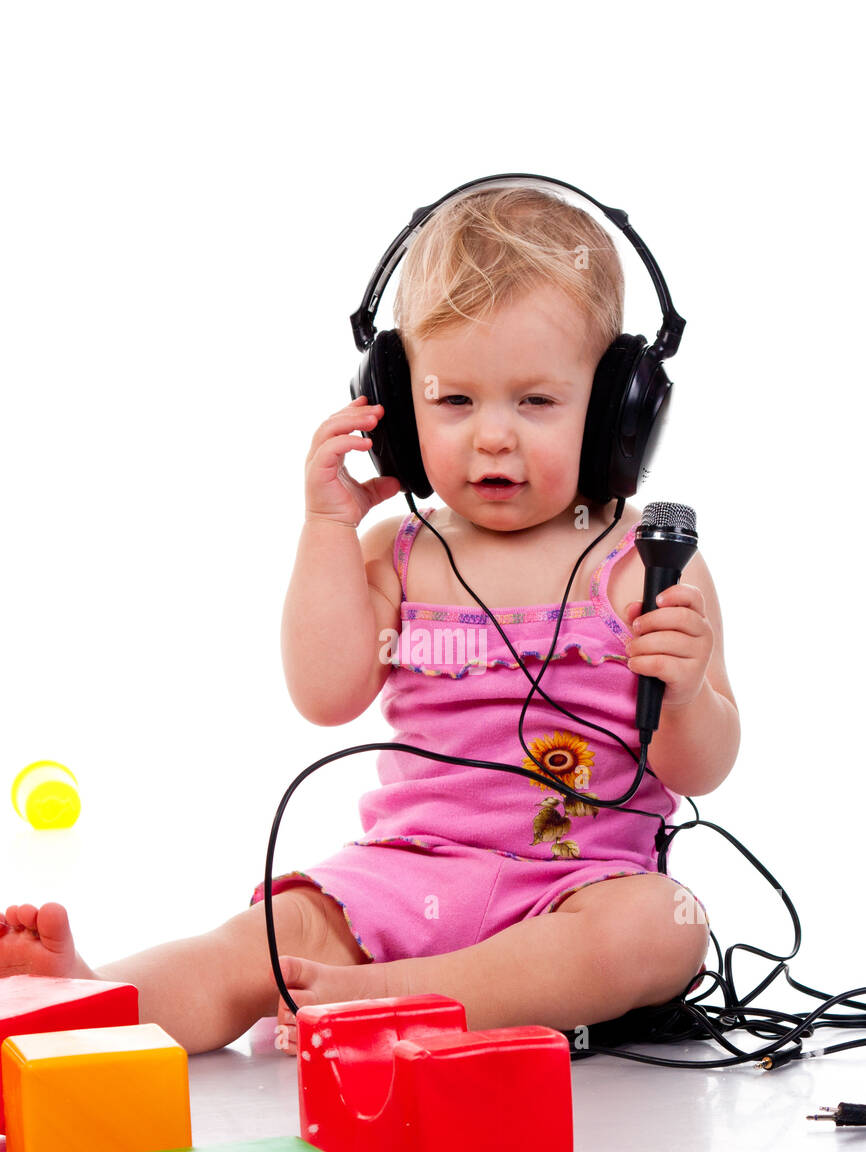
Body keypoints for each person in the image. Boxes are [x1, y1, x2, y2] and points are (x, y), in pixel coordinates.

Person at [0, 188, 739, 1057]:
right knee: (266, 938)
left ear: (620, 410)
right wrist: (326, 531)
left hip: (575, 889)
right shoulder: (400, 553)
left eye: (535, 402)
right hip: (401, 875)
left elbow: (702, 768)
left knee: (660, 928)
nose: (491, 437)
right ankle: (95, 1004)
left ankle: (395, 998)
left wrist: (685, 692)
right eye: (455, 401)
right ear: (395, 405)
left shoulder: (644, 566)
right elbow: (325, 694)